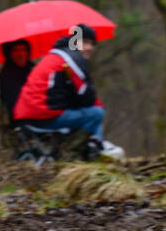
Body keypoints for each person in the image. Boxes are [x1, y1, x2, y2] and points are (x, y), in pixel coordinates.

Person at [13, 23, 123, 157]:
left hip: (26, 116)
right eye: (85, 42)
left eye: (92, 43)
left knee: (89, 112)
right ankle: (93, 147)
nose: (89, 48)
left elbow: (68, 93)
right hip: (43, 116)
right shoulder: (72, 59)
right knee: (96, 113)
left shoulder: (58, 57)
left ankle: (94, 144)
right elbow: (87, 96)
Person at [0, 38, 33, 122]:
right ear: (9, 54)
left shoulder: (31, 71)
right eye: (16, 50)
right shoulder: (6, 75)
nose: (20, 54)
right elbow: (13, 101)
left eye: (23, 50)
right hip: (19, 120)